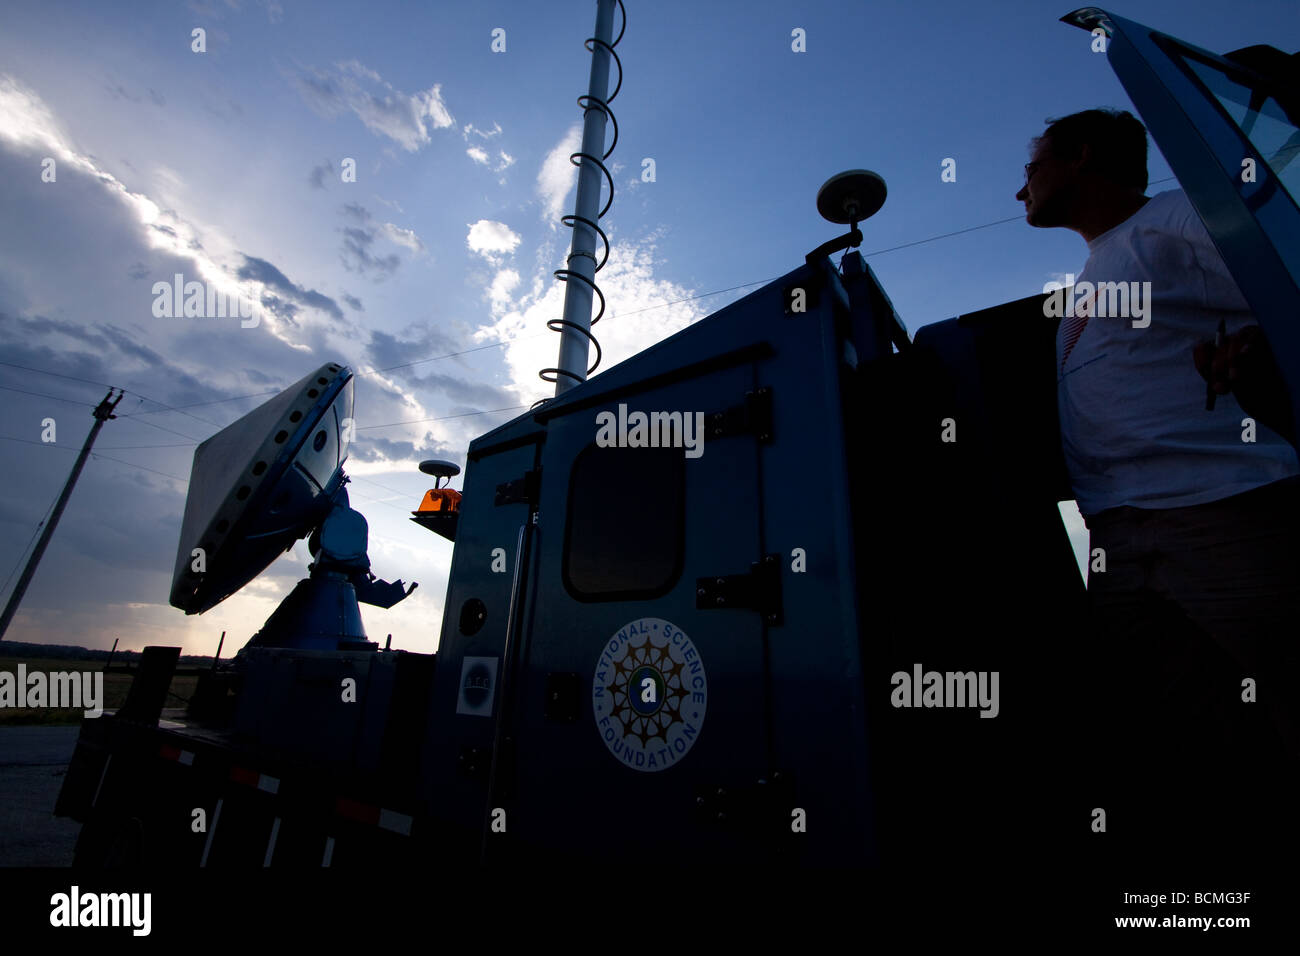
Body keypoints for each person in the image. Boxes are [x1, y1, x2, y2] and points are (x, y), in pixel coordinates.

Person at [1015, 108, 1300, 862]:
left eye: (1031, 168)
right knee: (1202, 742)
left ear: (1079, 158)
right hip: (1118, 541)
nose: (1022, 192)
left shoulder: (1176, 221)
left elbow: (1286, 282)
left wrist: (1259, 349)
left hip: (1222, 516)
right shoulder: (1093, 270)